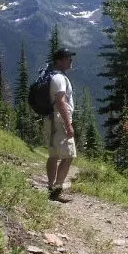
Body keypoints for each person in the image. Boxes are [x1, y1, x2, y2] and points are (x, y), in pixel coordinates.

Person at [44, 47, 77, 202]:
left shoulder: (50, 75)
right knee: (69, 155)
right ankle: (57, 189)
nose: (70, 60)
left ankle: (51, 186)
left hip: (50, 118)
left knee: (54, 155)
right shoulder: (59, 78)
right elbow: (61, 102)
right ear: (59, 60)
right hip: (59, 119)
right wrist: (68, 124)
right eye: (67, 58)